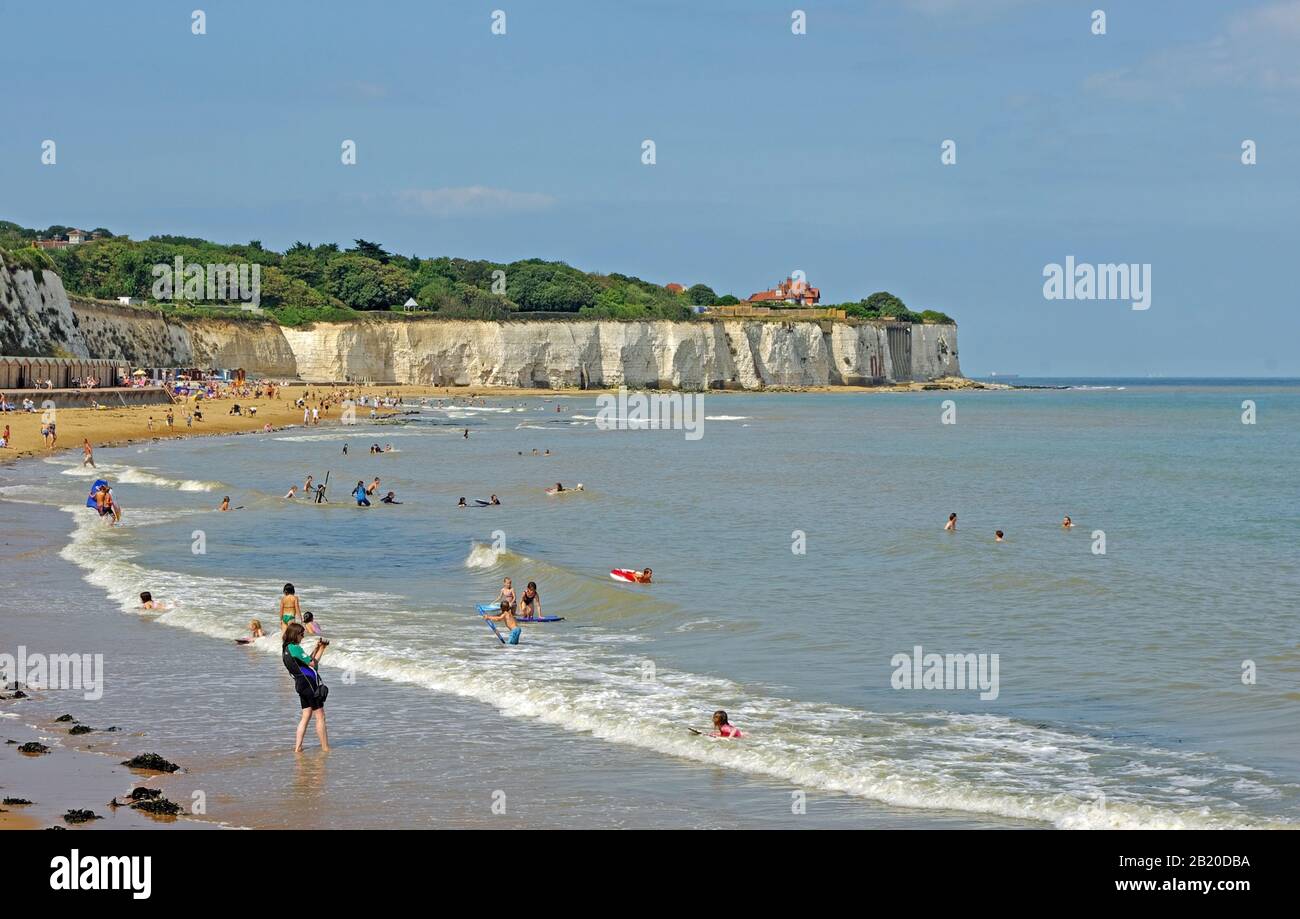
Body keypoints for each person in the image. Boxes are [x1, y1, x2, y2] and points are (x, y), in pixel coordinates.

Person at [282, 622, 329, 753]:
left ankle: (298, 747)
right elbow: (313, 664)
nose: (303, 636)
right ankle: (325, 748)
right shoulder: (295, 648)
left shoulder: (286, 649)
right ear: (295, 634)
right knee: (320, 716)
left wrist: (319, 648)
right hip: (308, 683)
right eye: (301, 634)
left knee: (306, 715)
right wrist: (321, 650)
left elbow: (306, 661)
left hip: (300, 684)